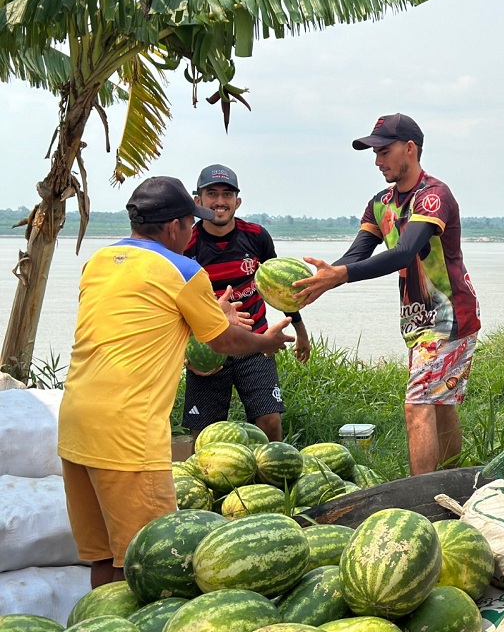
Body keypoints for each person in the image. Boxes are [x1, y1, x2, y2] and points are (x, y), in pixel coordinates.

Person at [58, 176, 294, 588]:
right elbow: (222, 339)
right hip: (127, 435)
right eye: (190, 223)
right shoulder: (184, 270)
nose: (192, 232)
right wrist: (264, 340)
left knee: (103, 557)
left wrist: (206, 314)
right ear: (173, 227)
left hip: (75, 426)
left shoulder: (97, 262)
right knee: (151, 564)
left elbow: (141, 322)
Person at [293, 114, 480, 475]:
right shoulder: (380, 203)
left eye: (384, 151)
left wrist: (341, 275)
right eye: (374, 153)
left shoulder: (433, 197)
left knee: (418, 404)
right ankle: (454, 481)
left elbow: (404, 252)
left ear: (410, 148)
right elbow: (358, 254)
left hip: (450, 318)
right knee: (440, 402)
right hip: (418, 323)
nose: (378, 161)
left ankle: (420, 499)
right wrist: (326, 277)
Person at [182, 164, 311, 443]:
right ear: (198, 201)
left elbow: (277, 288)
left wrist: (300, 331)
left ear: (237, 201)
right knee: (204, 434)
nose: (219, 201)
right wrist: (186, 352)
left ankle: (274, 478)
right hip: (209, 344)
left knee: (270, 420)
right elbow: (175, 305)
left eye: (227, 195)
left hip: (255, 342)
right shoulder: (186, 244)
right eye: (211, 194)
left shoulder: (256, 236)